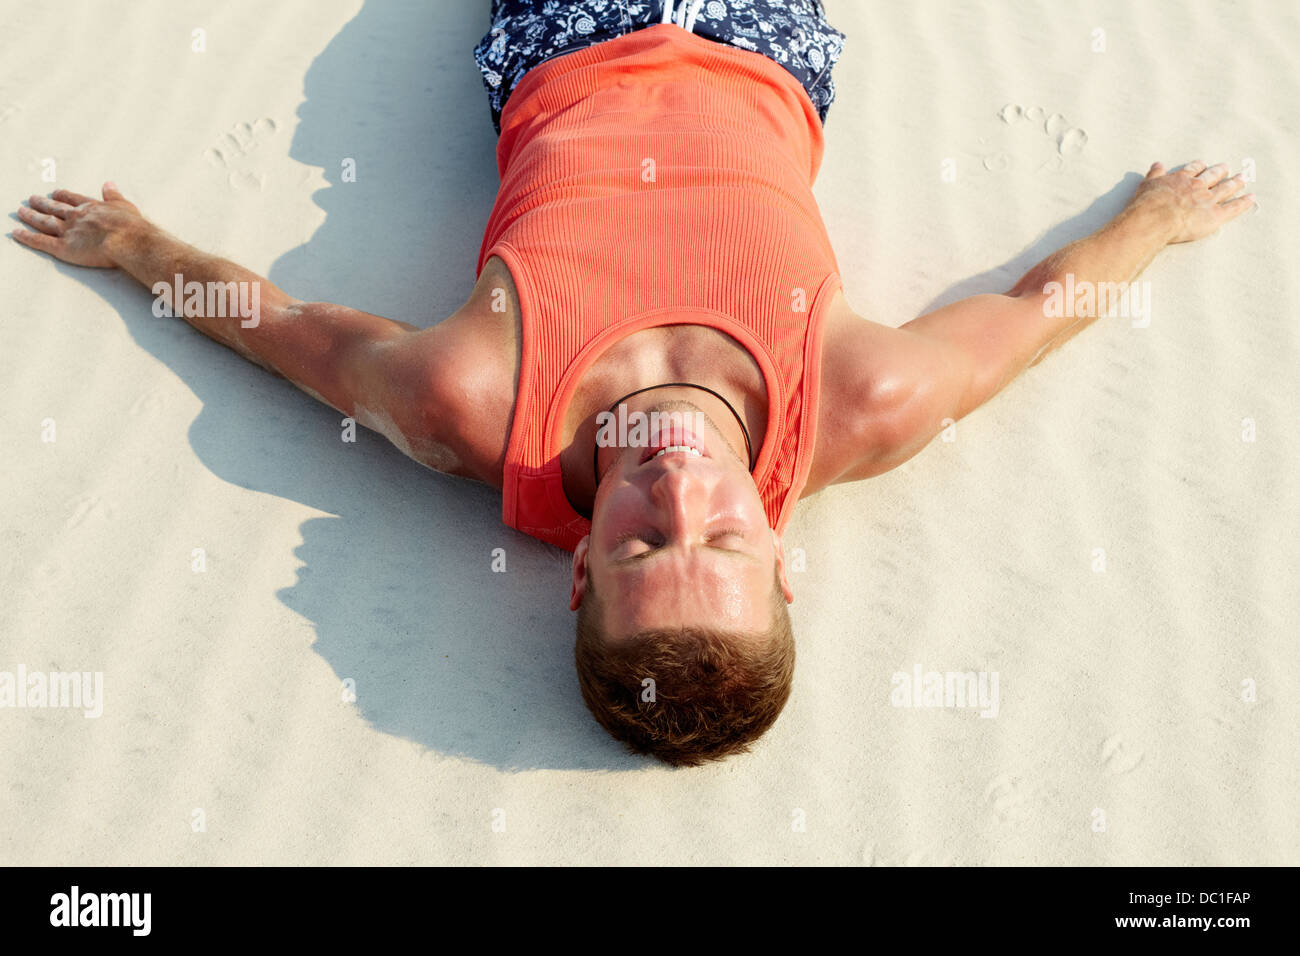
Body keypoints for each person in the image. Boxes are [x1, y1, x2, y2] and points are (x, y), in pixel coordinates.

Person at [11, 0, 1256, 766]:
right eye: (720, 529)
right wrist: (1154, 220)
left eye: (644, 540)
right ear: (778, 555)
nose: (678, 484)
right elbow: (1040, 313)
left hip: (566, 36)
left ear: (581, 576)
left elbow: (278, 323)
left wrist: (134, 249)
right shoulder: (864, 399)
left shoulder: (471, 405)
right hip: (768, 50)